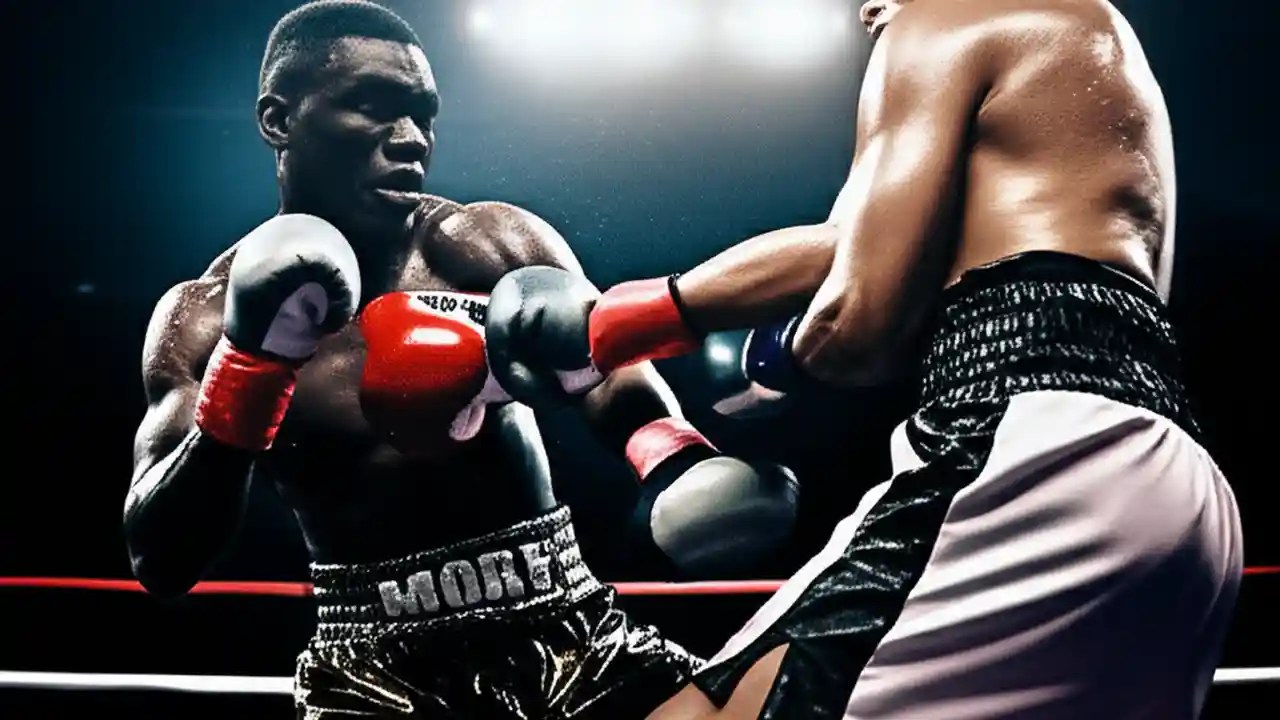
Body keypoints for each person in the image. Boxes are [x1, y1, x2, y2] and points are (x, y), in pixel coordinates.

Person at [481, 0, 1244, 717]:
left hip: (1036, 456)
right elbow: (853, 243)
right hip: (1181, 499)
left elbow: (857, 319)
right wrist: (634, 323)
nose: (866, 11)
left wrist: (773, 349)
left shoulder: (945, 16)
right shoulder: (1090, 47)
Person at [122, 2, 800, 717]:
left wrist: (676, 463)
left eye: (423, 113)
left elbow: (608, 376)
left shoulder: (492, 245)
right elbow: (160, 560)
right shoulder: (204, 315)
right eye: (373, 107)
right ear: (279, 122)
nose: (410, 140)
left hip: (566, 627)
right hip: (371, 670)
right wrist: (253, 370)